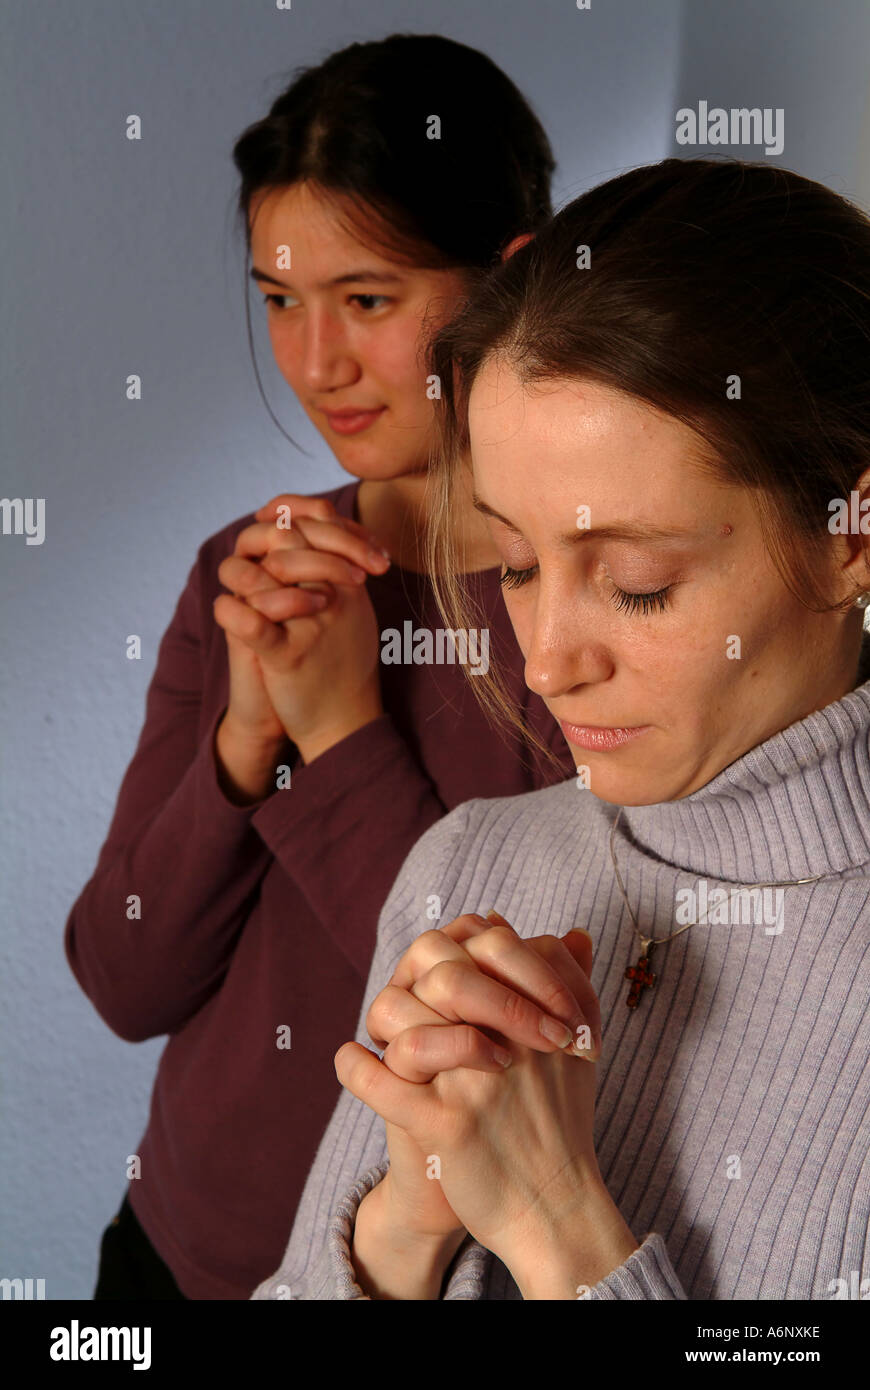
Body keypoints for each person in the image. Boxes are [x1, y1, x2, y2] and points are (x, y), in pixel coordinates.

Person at [253, 157, 870, 1301]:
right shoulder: (470, 859)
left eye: (635, 582)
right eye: (521, 564)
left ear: (850, 535)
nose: (545, 663)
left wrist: (557, 1227)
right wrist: (400, 1233)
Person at [65, 33, 575, 1300]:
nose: (315, 362)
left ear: (506, 283)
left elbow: (488, 1032)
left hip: (401, 1279)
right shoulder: (240, 574)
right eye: (280, 299)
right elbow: (124, 979)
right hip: (166, 1255)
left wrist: (338, 733)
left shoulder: (590, 613)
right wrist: (248, 738)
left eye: (367, 299)